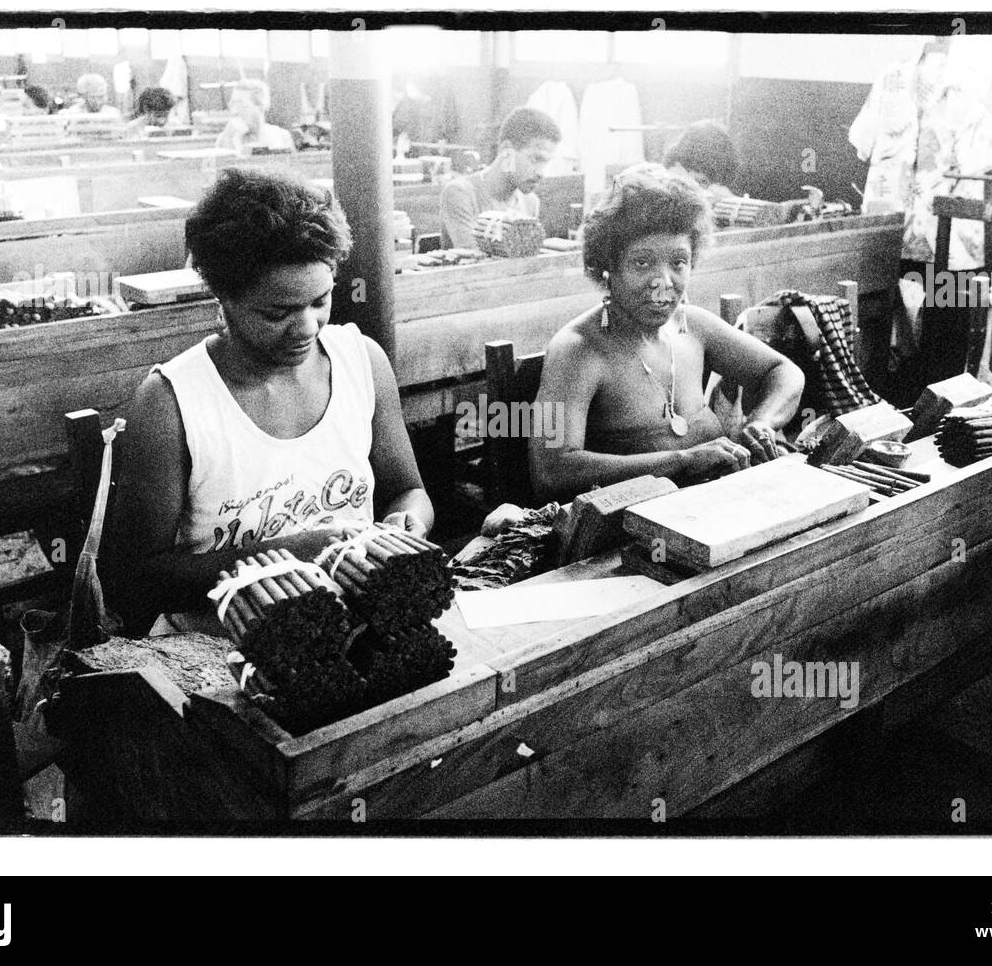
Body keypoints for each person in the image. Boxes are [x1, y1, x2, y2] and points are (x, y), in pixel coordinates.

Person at [106, 169, 433, 636]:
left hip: (350, 626)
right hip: (219, 649)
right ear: (224, 299)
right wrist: (294, 552)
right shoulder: (171, 403)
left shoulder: (361, 362)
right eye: (277, 312)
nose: (307, 327)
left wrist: (408, 525)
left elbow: (408, 490)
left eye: (320, 301)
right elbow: (136, 580)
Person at [528, 165, 804, 503]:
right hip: (637, 535)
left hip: (720, 507)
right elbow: (551, 470)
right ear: (607, 267)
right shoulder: (579, 350)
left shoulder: (693, 327)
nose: (664, 281)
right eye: (642, 263)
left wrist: (761, 423)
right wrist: (682, 462)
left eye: (678, 262)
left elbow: (785, 373)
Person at [438, 107, 560, 250]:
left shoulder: (530, 202)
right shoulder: (460, 193)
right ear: (506, 150)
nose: (541, 172)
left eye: (546, 162)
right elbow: (475, 263)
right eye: (536, 158)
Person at [663, 119, 740, 198]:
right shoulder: (673, 174)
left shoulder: (718, 191)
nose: (701, 187)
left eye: (705, 182)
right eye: (699, 181)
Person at [214, 79, 294, 154]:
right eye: (233, 104)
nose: (235, 112)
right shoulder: (226, 138)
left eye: (242, 106)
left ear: (261, 107)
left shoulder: (281, 136)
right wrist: (228, 137)